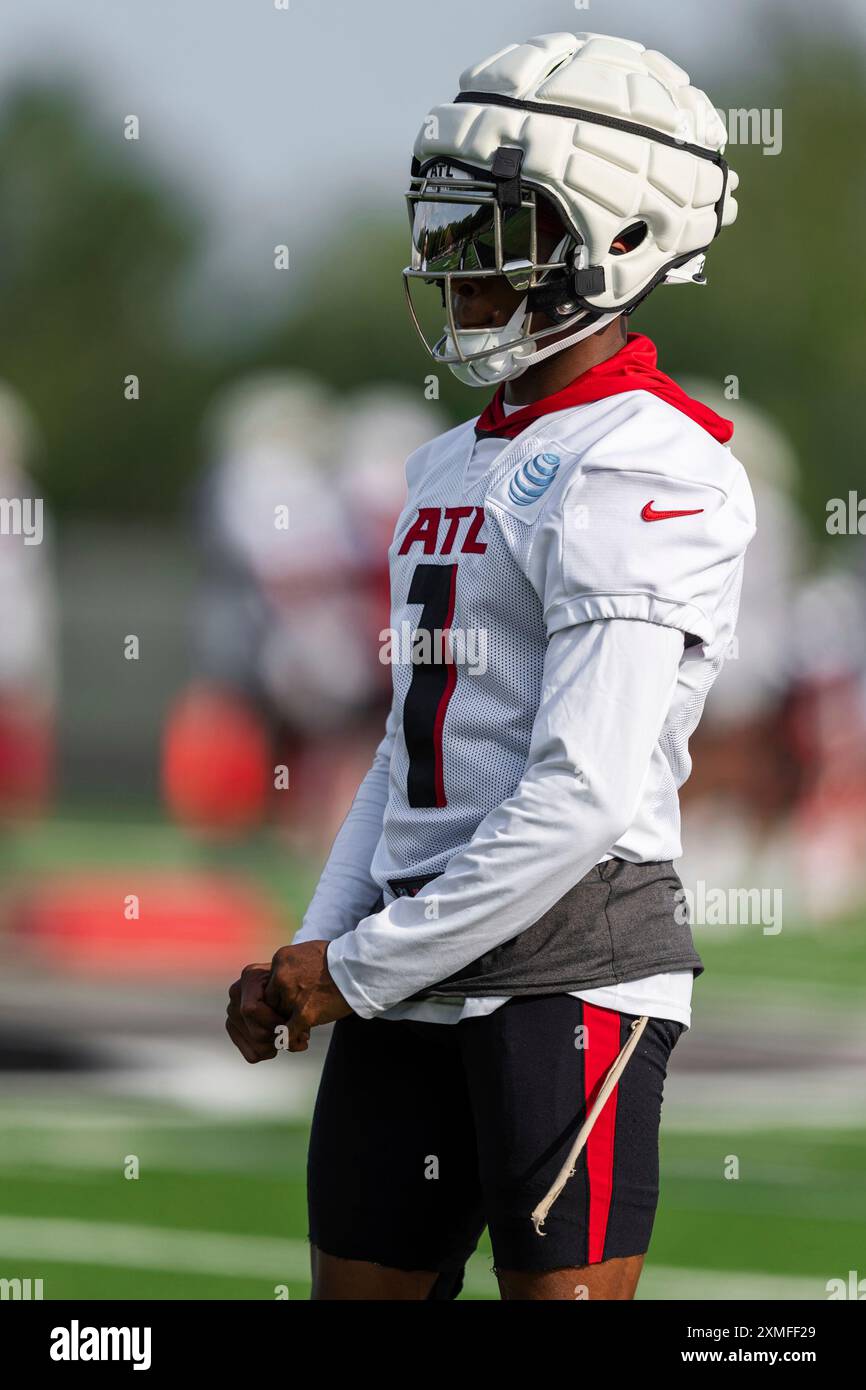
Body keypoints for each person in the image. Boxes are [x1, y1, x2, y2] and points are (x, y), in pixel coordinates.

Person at [226, 31, 755, 1301]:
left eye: (500, 229)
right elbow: (410, 756)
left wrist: (347, 968)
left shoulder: (650, 464)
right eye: (451, 228)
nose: (455, 265)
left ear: (617, 242)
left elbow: (576, 796)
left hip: (563, 964)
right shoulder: (447, 462)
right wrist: (319, 941)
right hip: (409, 952)